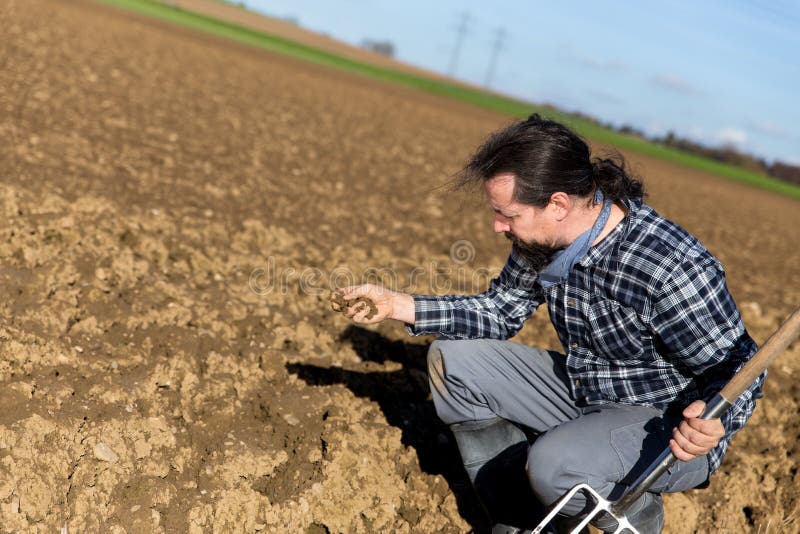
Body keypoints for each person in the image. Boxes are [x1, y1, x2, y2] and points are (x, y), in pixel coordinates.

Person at [330, 114, 764, 533]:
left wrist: (715, 423)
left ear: (557, 204)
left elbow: (741, 366)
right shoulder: (541, 243)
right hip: (586, 388)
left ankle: (635, 513)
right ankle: (520, 519)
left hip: (662, 426)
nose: (498, 227)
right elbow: (499, 312)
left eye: (509, 215)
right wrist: (397, 305)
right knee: (452, 360)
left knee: (552, 465)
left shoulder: (668, 264)